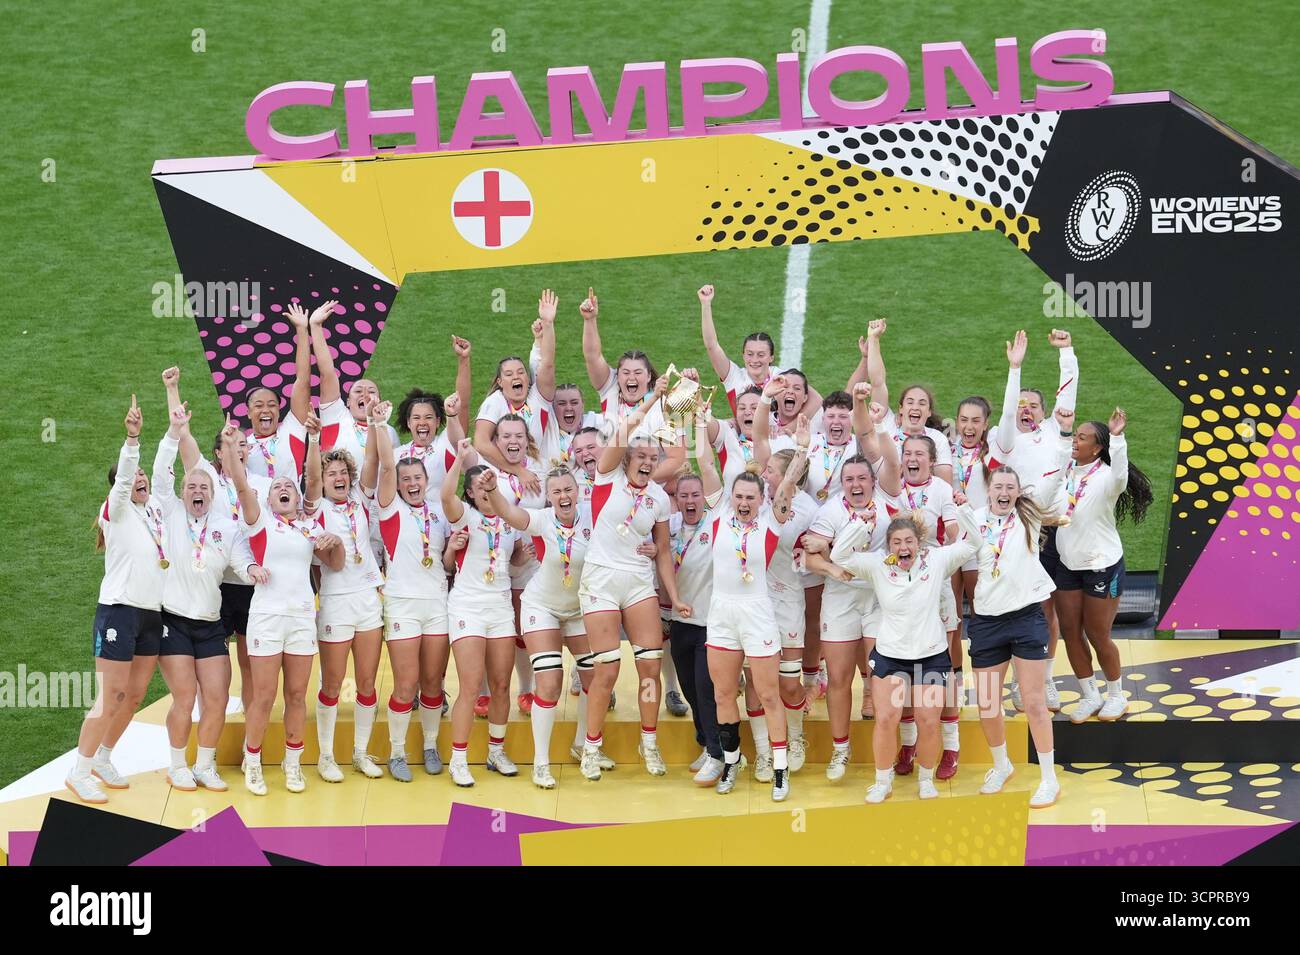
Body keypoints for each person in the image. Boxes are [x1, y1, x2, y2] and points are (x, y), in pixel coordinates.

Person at [955, 412, 1074, 808]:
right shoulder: (971, 519)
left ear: (1018, 492)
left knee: (1034, 701)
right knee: (989, 703)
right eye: (998, 486)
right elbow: (956, 550)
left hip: (1026, 619)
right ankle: (1002, 765)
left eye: (1011, 486)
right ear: (988, 491)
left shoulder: (1028, 516)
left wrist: (1065, 432)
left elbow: (1056, 474)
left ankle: (1048, 778)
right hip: (986, 622)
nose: (1004, 491)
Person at [577, 378, 691, 780]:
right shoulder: (606, 477)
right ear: (627, 458)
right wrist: (657, 397)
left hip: (639, 583)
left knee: (649, 667)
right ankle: (591, 748)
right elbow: (624, 431)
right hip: (602, 580)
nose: (647, 460)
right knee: (606, 671)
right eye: (640, 454)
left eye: (651, 455)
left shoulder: (659, 498)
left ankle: (649, 742)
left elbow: (661, 552)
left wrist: (673, 599)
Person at [821, 510, 977, 803]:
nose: (903, 547)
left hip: (931, 656)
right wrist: (861, 525)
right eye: (896, 542)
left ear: (919, 543)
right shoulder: (878, 565)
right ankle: (883, 781)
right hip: (891, 656)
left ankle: (926, 779)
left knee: (928, 721)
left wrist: (963, 511)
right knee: (886, 719)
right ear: (888, 546)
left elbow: (972, 545)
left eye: (908, 541)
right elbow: (840, 554)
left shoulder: (937, 560)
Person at [223, 420, 344, 795]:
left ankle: (293, 765)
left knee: (296, 695)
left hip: (302, 619)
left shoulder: (310, 526)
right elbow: (243, 486)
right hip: (267, 617)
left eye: (288, 486)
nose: (284, 489)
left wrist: (334, 540)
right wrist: (230, 447)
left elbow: (337, 564)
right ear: (268, 500)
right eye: (277, 487)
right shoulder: (259, 525)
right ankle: (254, 761)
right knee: (263, 695)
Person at [153, 402, 266, 792]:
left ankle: (205, 764)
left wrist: (254, 570)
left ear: (212, 494)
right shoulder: (168, 513)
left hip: (210, 624)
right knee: (185, 696)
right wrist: (174, 430)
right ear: (181, 492)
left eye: (203, 488)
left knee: (216, 698)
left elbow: (241, 559)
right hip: (173, 622)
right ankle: (176, 764)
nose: (197, 491)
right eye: (191, 487)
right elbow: (161, 477)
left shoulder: (224, 526)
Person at [66, 396, 167, 804]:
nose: (139, 476)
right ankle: (80, 770)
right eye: (132, 475)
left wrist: (174, 427)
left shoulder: (153, 512)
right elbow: (125, 478)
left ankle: (104, 757)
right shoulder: (118, 510)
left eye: (142, 473)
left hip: (149, 615)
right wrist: (132, 438)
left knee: (135, 694)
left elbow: (163, 472)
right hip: (119, 613)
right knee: (111, 695)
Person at [802, 393, 902, 782]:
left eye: (862, 479)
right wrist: (831, 568)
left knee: (880, 677)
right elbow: (810, 558)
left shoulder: (887, 499)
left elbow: (891, 459)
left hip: (879, 599)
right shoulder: (830, 512)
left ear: (873, 482)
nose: (856, 485)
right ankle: (840, 751)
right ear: (840, 484)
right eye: (849, 480)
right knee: (840, 678)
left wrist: (874, 423)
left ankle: (886, 754)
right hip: (841, 598)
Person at [707, 428, 811, 802]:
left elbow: (785, 486)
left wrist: (799, 448)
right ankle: (732, 762)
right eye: (739, 496)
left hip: (757, 613)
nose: (744, 502)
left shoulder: (771, 521)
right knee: (723, 693)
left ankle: (781, 770)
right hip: (721, 613)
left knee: (768, 694)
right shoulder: (719, 516)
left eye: (751, 497)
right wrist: (696, 419)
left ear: (761, 498)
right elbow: (705, 462)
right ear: (730, 497)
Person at [164, 365, 271, 718]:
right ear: (218, 451)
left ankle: (251, 716)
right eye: (230, 443)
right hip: (214, 580)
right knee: (211, 653)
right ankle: (207, 714)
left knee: (250, 653)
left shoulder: (263, 484)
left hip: (248, 579)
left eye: (243, 444)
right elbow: (183, 435)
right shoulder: (205, 476)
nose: (238, 448)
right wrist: (173, 387)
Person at [482, 465, 594, 788]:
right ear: (548, 496)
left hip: (577, 609)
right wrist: (491, 490)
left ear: (578, 491)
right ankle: (541, 763)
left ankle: (583, 746)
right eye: (556, 491)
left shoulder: (591, 518)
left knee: (594, 676)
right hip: (541, 608)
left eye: (568, 489)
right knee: (549, 684)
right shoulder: (543, 520)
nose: (563, 496)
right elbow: (508, 512)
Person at [989, 329, 1080, 713]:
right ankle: (1017, 683)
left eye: (1033, 406)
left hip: (1053, 531)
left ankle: (1044, 681)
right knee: (1013, 607)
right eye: (1021, 404)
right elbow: (1008, 413)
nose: (1026, 410)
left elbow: (1067, 399)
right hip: (1015, 532)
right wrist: (1015, 370)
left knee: (1048, 609)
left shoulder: (1055, 434)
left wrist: (1066, 354)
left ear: (1044, 413)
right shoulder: (1004, 437)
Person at [1048, 409, 1152, 723]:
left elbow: (1121, 471)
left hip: (1102, 566)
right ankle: (1090, 694)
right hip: (1068, 564)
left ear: (1096, 448)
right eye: (1075, 436)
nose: (1075, 441)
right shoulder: (1064, 473)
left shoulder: (1108, 478)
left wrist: (1117, 437)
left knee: (1097, 633)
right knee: (1069, 630)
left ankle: (1116, 695)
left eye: (1082, 437)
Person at [309, 403, 387, 783]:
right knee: (332, 684)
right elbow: (310, 481)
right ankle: (326, 756)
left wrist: (374, 423)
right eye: (331, 473)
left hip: (369, 597)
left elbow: (372, 457)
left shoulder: (361, 498)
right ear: (322, 481)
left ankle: (359, 752)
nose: (338, 477)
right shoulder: (316, 508)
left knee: (369, 683)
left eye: (343, 472)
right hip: (336, 602)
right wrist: (313, 442)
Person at [949, 333, 1026, 711]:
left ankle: (988, 683)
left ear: (986, 424)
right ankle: (950, 683)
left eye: (975, 420)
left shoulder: (995, 451)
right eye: (963, 419)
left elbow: (1010, 416)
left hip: (982, 548)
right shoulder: (941, 450)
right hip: (950, 549)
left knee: (984, 615)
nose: (968, 426)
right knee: (948, 619)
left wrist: (1015, 370)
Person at [375, 403, 453, 780]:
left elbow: (448, 561)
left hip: (437, 603)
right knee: (405, 684)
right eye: (404, 478)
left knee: (433, 683)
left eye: (416, 478)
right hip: (403, 605)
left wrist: (455, 548)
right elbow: (387, 468)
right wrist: (377, 424)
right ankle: (397, 752)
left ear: (426, 479)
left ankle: (430, 745)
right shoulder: (389, 510)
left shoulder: (439, 511)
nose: (410, 483)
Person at [441, 439, 524, 786]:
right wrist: (461, 459)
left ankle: (496, 750)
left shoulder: (508, 520)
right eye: (478, 486)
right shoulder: (466, 516)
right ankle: (458, 759)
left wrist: (522, 559)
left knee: (503, 684)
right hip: (468, 607)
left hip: (500, 606)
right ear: (471, 494)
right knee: (472, 686)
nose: (487, 489)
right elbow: (446, 498)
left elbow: (514, 558)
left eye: (490, 483)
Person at [894, 432, 962, 779]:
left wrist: (955, 533)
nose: (913, 458)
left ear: (931, 460)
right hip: (898, 591)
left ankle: (950, 746)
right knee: (902, 668)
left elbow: (951, 529)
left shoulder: (941, 490)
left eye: (920, 453)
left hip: (935, 588)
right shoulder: (889, 487)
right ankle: (909, 743)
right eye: (907, 452)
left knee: (942, 670)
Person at [665, 418, 727, 784]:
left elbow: (706, 465)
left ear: (705, 497)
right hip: (679, 623)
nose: (690, 500)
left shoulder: (717, 521)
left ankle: (719, 754)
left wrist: (699, 426)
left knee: (706, 689)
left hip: (709, 623)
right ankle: (706, 743)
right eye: (683, 496)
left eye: (695, 495)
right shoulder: (669, 528)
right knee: (689, 688)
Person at [579, 287, 684, 480]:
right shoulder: (609, 389)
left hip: (648, 485)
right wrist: (590, 320)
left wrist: (638, 480)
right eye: (625, 373)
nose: (631, 378)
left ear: (649, 377)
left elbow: (677, 459)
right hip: (610, 481)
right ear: (617, 377)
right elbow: (592, 356)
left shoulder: (664, 406)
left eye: (638, 373)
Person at [852, 318, 954, 484]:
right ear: (901, 408)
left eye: (922, 403)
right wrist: (874, 339)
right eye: (910, 402)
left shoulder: (937, 439)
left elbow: (944, 484)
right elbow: (878, 382)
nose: (915, 407)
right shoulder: (885, 424)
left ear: (929, 412)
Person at [697, 283, 821, 418]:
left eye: (761, 355)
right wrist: (705, 304)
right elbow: (712, 345)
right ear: (743, 356)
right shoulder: (734, 376)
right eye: (750, 354)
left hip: (777, 438)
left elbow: (816, 400)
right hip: (744, 438)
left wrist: (789, 429)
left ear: (771, 357)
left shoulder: (782, 377)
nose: (755, 360)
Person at [243, 299, 333, 480]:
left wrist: (302, 330)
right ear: (249, 413)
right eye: (259, 405)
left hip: (292, 507)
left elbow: (303, 381)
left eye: (271, 405)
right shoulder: (241, 446)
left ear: (278, 410)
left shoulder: (291, 430)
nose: (266, 409)